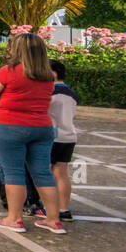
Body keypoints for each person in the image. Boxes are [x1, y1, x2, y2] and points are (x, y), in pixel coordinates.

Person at [0, 33, 64, 234]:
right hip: (43, 127)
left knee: (14, 172)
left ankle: (14, 218)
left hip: (11, 125)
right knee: (43, 173)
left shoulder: (8, 71)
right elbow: (32, 96)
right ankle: (54, 220)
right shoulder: (47, 74)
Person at [47, 59, 78, 223]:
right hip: (69, 136)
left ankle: (48, 208)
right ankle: (64, 209)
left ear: (53, 73)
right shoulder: (72, 93)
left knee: (45, 173)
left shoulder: (50, 92)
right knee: (61, 172)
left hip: (52, 136)